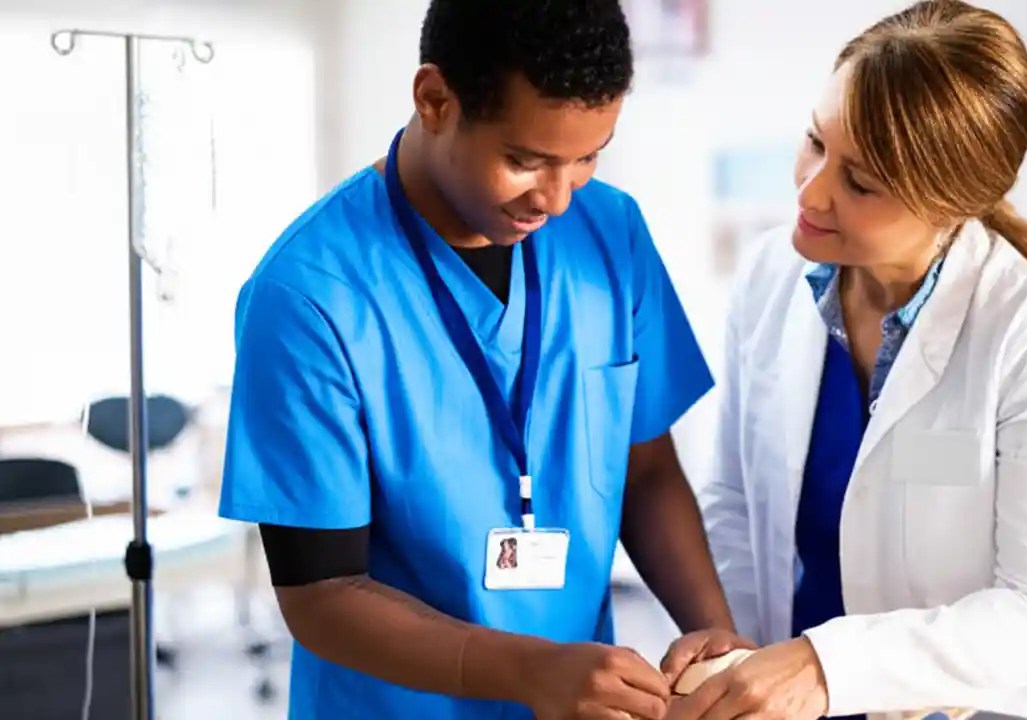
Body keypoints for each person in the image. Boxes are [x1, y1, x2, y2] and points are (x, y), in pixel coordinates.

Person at [218, 2, 746, 718]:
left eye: (588, 157)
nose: (558, 199)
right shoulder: (310, 296)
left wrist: (712, 630)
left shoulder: (609, 232)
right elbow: (321, 594)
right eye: (525, 161)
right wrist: (532, 671)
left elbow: (646, 468)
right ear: (435, 99)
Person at [664, 2, 1027, 719]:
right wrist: (734, 645)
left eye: (861, 182)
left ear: (952, 202)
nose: (810, 191)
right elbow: (734, 505)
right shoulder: (769, 280)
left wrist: (824, 665)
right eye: (815, 141)